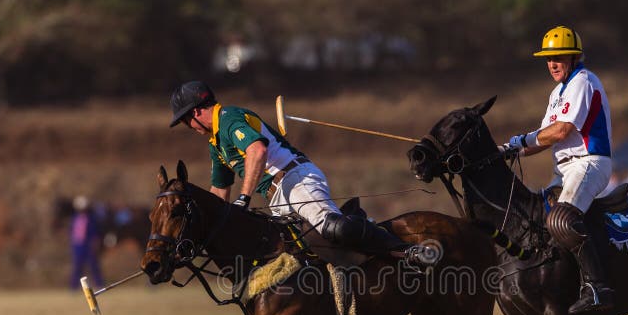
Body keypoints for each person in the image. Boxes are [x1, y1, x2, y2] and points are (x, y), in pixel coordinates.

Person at [168, 81, 438, 269]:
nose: (187, 126)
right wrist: (200, 235)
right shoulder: (215, 143)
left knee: (332, 227)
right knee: (291, 259)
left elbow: (257, 150)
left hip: (295, 179)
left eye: (184, 120)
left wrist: (243, 198)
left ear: (195, 112)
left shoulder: (228, 118)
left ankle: (406, 250)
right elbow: (217, 197)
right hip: (276, 197)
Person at [506, 25, 614, 315]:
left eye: (560, 58)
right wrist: (507, 150)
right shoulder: (557, 92)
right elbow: (543, 135)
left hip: (590, 162)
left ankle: (597, 286)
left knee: (561, 219)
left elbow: (562, 130)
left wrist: (519, 142)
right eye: (549, 59)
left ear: (574, 58)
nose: (553, 64)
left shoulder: (583, 80)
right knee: (538, 218)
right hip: (564, 171)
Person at [69, 195, 104, 289]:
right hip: (78, 245)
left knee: (93, 265)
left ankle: (99, 284)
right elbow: (72, 231)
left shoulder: (91, 218)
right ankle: (74, 287)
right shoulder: (74, 218)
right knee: (77, 266)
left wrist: (95, 242)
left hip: (88, 244)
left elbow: (94, 231)